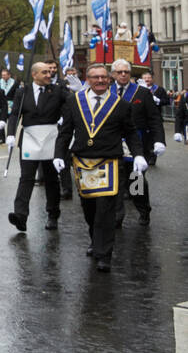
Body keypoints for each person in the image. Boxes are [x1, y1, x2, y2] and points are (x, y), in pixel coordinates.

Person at [55, 63, 145, 272]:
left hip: (110, 162)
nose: (100, 81)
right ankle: (95, 239)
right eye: (95, 77)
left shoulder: (120, 104)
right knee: (90, 209)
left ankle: (104, 253)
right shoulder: (74, 102)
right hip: (83, 162)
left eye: (104, 77)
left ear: (109, 79)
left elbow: (131, 132)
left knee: (106, 209)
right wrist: (59, 155)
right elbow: (66, 131)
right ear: (88, 80)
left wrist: (138, 154)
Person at [5, 61, 68, 233]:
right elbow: (15, 114)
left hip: (50, 137)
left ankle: (53, 214)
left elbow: (71, 103)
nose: (49, 75)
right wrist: (10, 134)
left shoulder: (56, 90)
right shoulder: (22, 92)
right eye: (45, 72)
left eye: (50, 72)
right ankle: (20, 215)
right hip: (30, 138)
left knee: (51, 179)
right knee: (26, 178)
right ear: (34, 75)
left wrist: (74, 89)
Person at [109, 59, 163, 226]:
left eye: (126, 72)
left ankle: (143, 209)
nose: (123, 74)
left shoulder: (142, 92)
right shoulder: (106, 91)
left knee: (135, 180)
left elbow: (154, 118)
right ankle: (117, 216)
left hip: (137, 143)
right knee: (115, 180)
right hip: (113, 143)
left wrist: (159, 141)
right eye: (119, 72)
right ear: (113, 74)